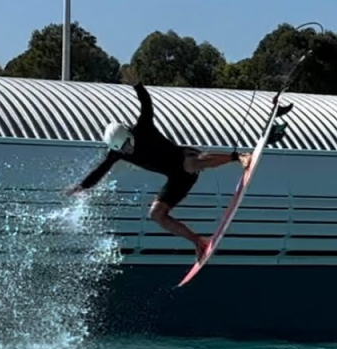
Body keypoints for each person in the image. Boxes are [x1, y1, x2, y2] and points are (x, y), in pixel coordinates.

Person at [65, 81, 251, 258]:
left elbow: (146, 103)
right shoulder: (117, 153)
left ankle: (238, 156)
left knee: (190, 164)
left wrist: (137, 85)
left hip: (186, 158)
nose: (127, 150)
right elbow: (100, 170)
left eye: (127, 145)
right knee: (155, 214)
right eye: (122, 149)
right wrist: (82, 187)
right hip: (176, 178)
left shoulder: (143, 128)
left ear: (129, 133)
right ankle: (199, 242)